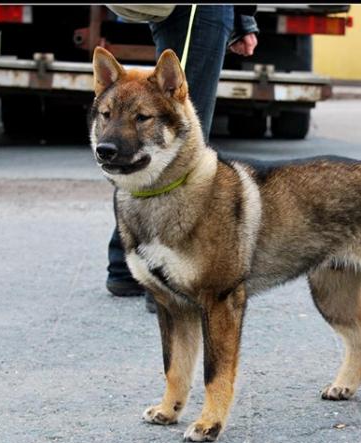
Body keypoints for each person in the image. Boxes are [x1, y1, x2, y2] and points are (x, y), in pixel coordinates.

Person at [105, 5, 259, 312]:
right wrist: (245, 18)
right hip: (197, 11)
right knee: (180, 133)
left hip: (193, 11)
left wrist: (242, 19)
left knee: (165, 139)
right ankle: (159, 279)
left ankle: (125, 263)